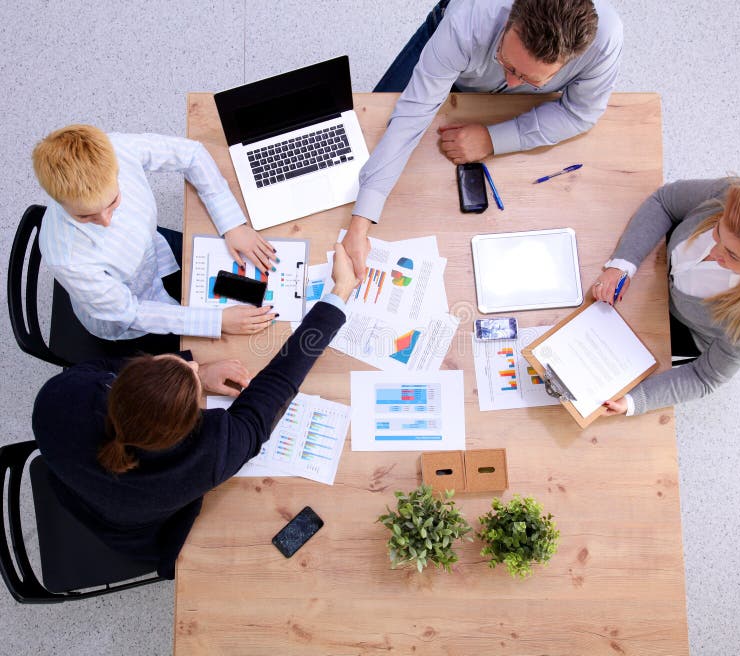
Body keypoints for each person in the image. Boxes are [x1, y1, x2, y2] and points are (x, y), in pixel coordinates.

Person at [32, 244, 357, 579]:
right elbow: (279, 382)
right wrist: (340, 293)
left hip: (75, 486)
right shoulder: (205, 454)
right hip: (135, 533)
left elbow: (100, 367)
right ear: (188, 427)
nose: (195, 363)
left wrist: (198, 376)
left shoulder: (55, 398)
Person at [342, 0, 623, 278]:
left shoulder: (605, 40)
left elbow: (579, 114)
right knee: (365, 133)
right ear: (510, 20)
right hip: (455, 56)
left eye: (532, 79)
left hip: (514, 105)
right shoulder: (465, 22)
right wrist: (360, 222)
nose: (512, 83)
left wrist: (493, 139)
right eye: (508, 64)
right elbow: (413, 114)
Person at [32, 124, 278, 353]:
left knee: (252, 284)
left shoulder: (116, 149)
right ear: (58, 200)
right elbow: (130, 312)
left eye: (113, 202)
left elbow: (191, 154)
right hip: (131, 314)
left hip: (156, 251)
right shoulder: (66, 258)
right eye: (87, 216)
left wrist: (232, 224)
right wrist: (216, 321)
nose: (106, 221)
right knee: (217, 349)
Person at [591, 178, 740, 416]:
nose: (713, 251)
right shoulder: (730, 196)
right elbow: (665, 201)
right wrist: (623, 263)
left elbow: (704, 377)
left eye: (732, 255)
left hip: (681, 325)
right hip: (652, 269)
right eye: (718, 231)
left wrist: (635, 401)